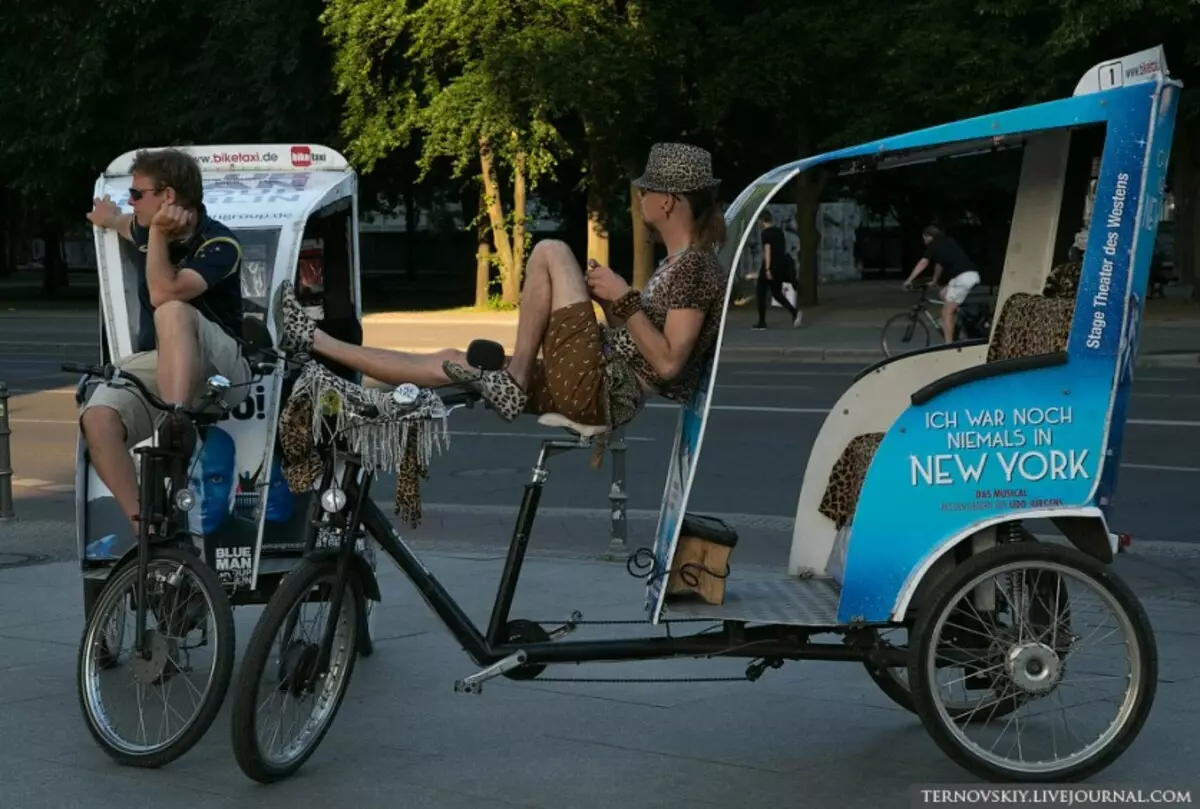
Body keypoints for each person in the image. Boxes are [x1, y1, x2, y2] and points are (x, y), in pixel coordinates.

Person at [274, 142, 728, 432]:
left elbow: (668, 364)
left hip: (601, 387)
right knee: (447, 361)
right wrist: (608, 300)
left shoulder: (694, 268)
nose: (640, 197)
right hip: (594, 380)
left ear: (667, 201)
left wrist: (623, 297)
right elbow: (642, 342)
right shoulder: (678, 265)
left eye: (646, 191)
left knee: (551, 250)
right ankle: (313, 338)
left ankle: (514, 377)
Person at [81, 147, 251, 534]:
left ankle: (176, 419)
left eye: (138, 193)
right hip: (169, 359)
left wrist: (156, 232)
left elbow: (163, 293)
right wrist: (108, 217)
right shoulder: (145, 229)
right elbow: (125, 223)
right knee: (98, 417)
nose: (131, 200)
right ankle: (146, 528)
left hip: (221, 367)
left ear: (168, 197)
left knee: (172, 309)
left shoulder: (219, 244)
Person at [902, 224, 981, 342]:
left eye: (924, 239)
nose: (924, 242)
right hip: (968, 275)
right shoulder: (947, 241)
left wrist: (909, 280)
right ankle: (954, 323)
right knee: (943, 294)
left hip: (963, 278)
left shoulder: (933, 244)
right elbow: (939, 264)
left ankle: (948, 344)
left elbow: (923, 263)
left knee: (946, 311)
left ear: (928, 237)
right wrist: (934, 280)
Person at [752, 210, 801, 330]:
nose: (759, 223)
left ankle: (762, 322)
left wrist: (767, 269)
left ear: (763, 220)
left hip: (769, 266)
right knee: (777, 294)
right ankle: (794, 312)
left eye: (759, 221)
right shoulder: (779, 232)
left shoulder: (766, 233)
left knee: (761, 292)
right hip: (779, 266)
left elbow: (767, 250)